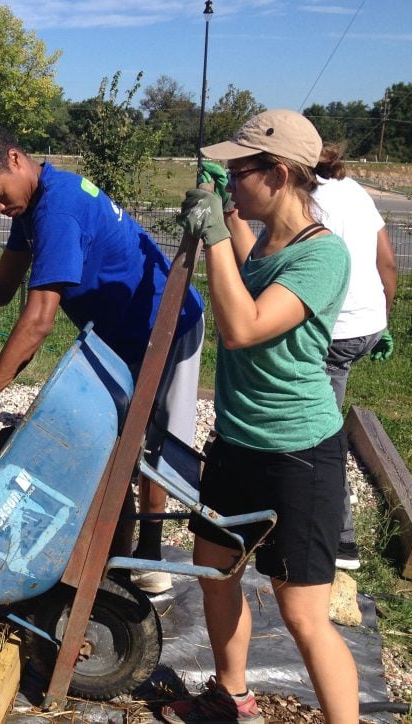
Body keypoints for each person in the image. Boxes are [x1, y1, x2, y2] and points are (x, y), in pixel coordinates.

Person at [0, 123, 205, 594]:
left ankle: (148, 559)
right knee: (114, 448)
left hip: (165, 326)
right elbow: (1, 289)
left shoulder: (58, 211)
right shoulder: (32, 204)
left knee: (152, 450)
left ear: (16, 159)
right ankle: (106, 559)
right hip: (117, 336)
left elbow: (38, 323)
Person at [164, 109, 357, 723]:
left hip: (297, 455)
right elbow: (246, 274)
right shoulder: (271, 241)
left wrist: (217, 238)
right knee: (214, 574)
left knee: (301, 614)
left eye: (236, 171)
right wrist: (223, 216)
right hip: (238, 443)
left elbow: (243, 326)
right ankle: (233, 696)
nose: (229, 178)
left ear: (276, 174)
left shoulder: (324, 257)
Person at [313, 144, 397, 571]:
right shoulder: (355, 191)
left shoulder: (309, 198)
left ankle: (341, 542)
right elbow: (388, 263)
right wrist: (383, 321)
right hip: (366, 324)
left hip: (335, 329)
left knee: (320, 434)